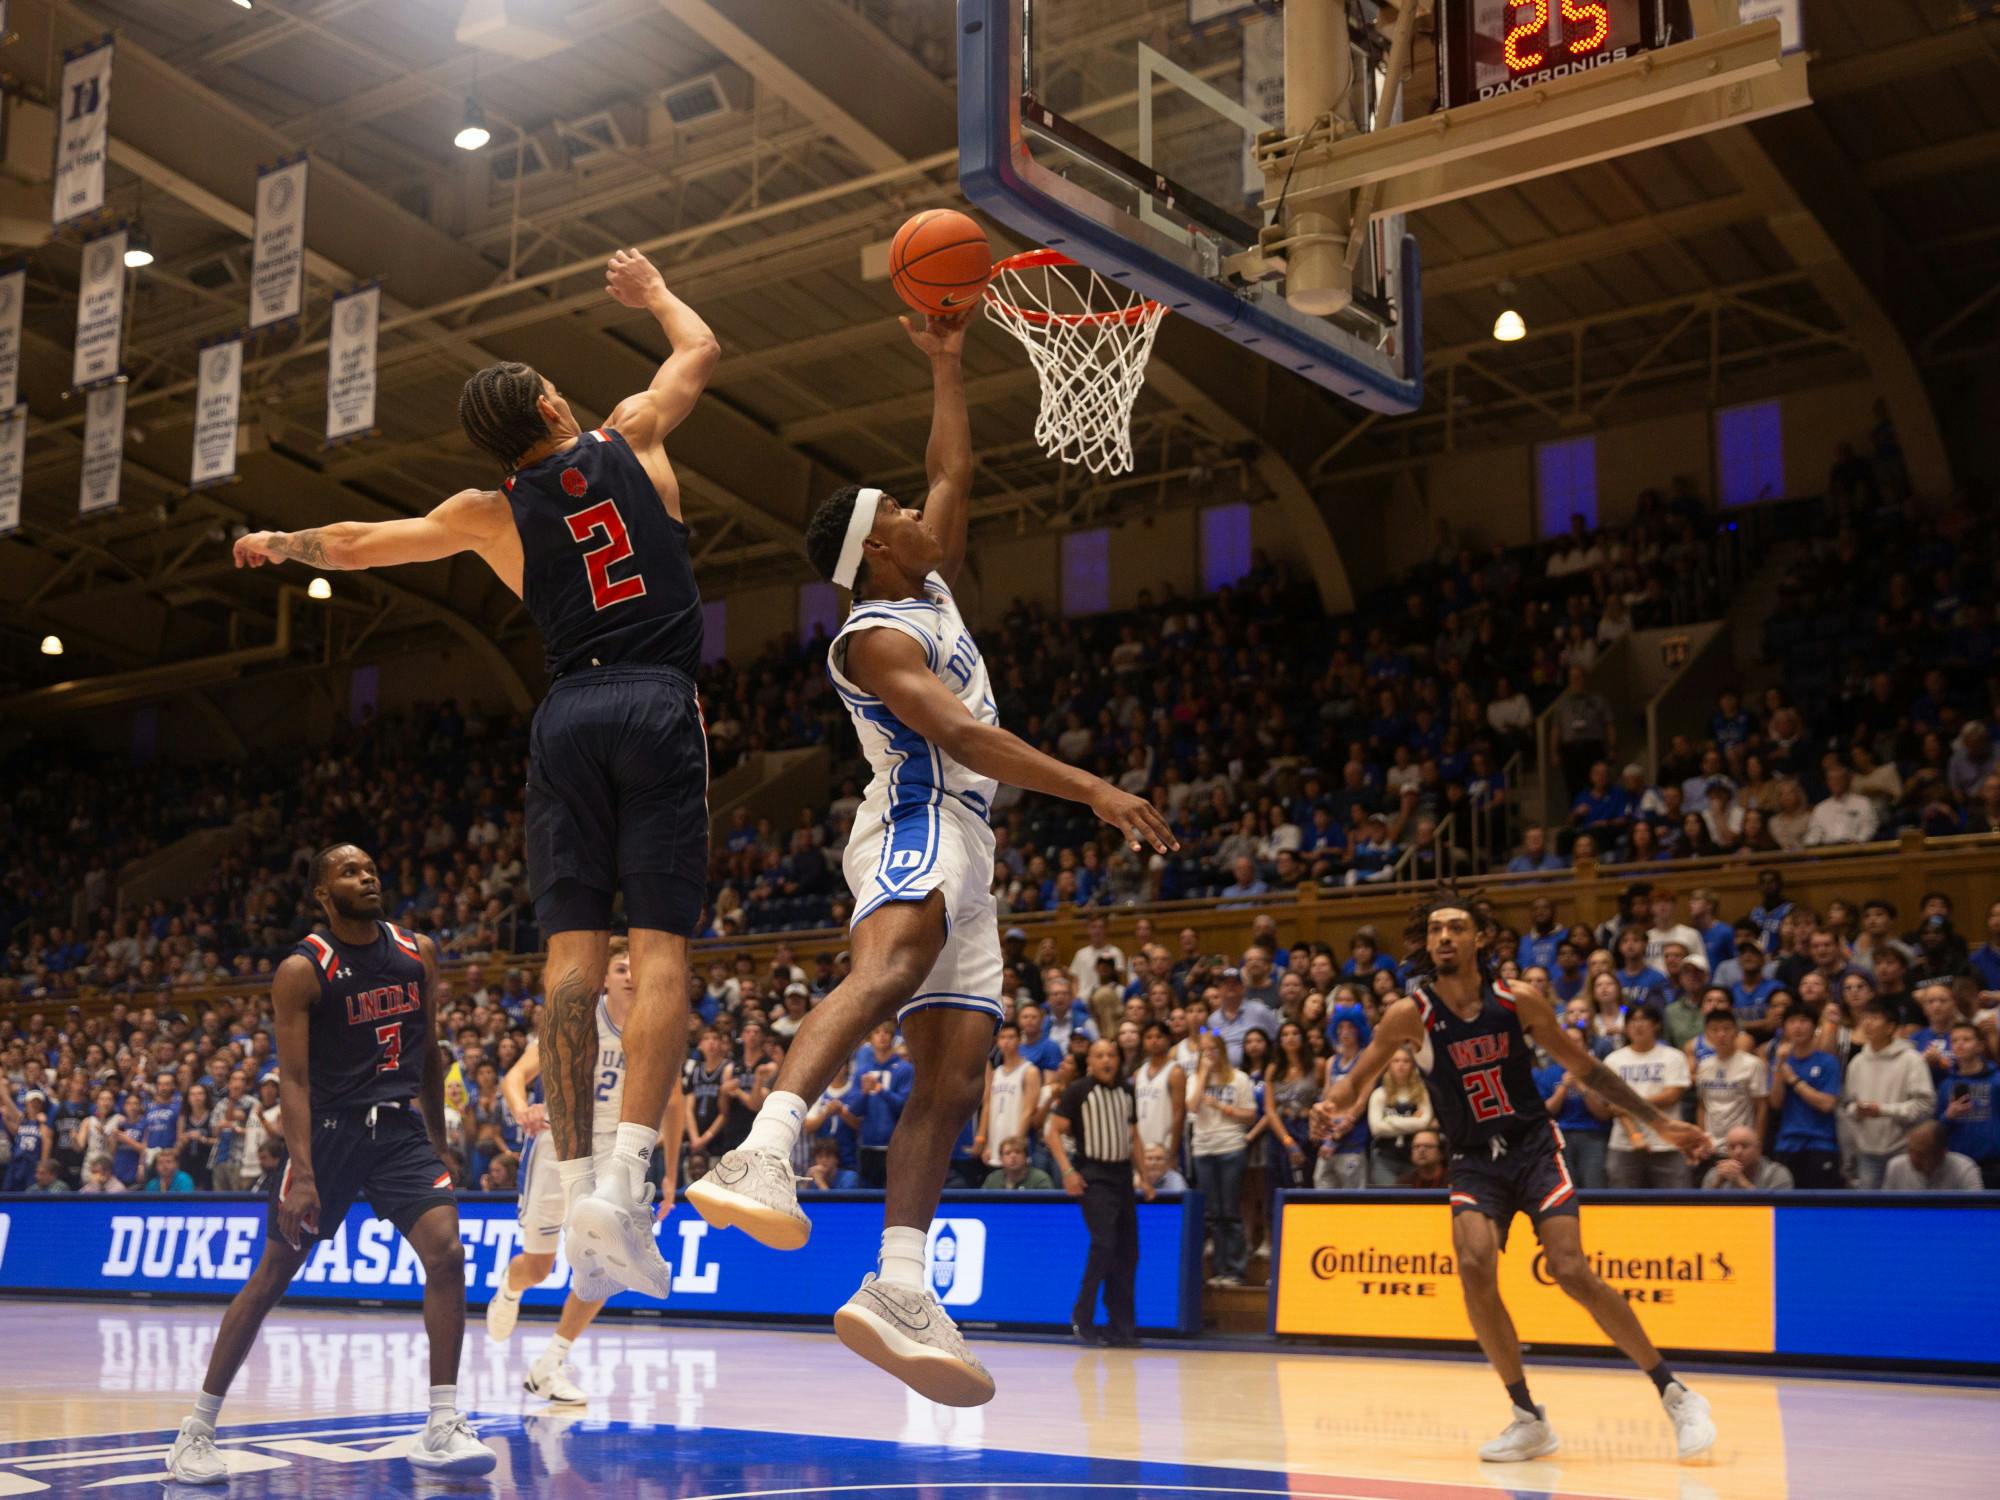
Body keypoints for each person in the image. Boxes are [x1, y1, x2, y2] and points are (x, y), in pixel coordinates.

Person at [683, 310, 1174, 1408]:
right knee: (892, 967)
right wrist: (1090, 787)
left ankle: (898, 1281)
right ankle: (762, 1147)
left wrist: (947, 361)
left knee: (954, 1075)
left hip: (975, 840)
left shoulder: (926, 585)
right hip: (919, 812)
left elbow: (951, 465)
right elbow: (956, 735)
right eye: (900, 514)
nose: (919, 512)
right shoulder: (874, 636)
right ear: (874, 551)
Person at [233, 251, 722, 1301]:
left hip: (567, 714)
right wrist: (655, 295)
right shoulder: (631, 432)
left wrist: (281, 542)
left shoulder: (485, 511)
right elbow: (700, 348)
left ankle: (577, 1177)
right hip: (654, 695)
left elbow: (361, 545)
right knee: (661, 949)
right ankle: (624, 1184)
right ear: (550, 402)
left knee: (570, 962)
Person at [1317, 888, 1715, 1465]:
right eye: (1435, 930)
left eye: (1456, 927)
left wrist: (1659, 1123)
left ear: (1480, 938)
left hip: (1533, 1148)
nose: (1445, 937)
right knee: (1474, 1262)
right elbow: (1354, 1080)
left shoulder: (1518, 1000)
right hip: (1474, 1158)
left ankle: (1675, 1393)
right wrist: (1333, 1103)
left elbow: (1586, 1068)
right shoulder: (1412, 1013)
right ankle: (1527, 1416)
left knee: (1570, 1268)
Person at [166, 845, 492, 1482]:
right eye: (349, 871)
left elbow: (428, 1053)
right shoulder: (302, 969)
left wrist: (439, 1137)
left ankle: (442, 1424)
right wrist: (304, 1171)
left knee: (447, 1254)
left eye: (370, 867)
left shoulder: (416, 951)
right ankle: (195, 1431)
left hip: (399, 1130)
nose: (367, 875)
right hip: (330, 1134)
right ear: (321, 895)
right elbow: (291, 1078)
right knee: (272, 1278)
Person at [484, 939, 683, 1404]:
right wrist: (521, 1109)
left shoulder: (659, 1022)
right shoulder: (579, 1018)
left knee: (605, 1263)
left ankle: (551, 1364)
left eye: (637, 966)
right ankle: (511, 1288)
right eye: (620, 967)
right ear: (605, 977)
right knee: (539, 1266)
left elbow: (673, 1104)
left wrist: (672, 1173)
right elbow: (515, 1078)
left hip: (617, 1155)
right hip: (559, 1144)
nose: (631, 975)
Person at [1047, 1038, 1147, 1347]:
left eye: (1111, 1055)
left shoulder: (1127, 1092)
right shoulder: (1078, 1090)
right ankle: (1083, 1316)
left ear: (1118, 1059)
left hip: (1121, 1177)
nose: (1107, 1060)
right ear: (1090, 1061)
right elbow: (1053, 1132)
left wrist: (1145, 1176)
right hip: (1094, 1176)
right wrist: (1068, 1171)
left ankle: (1122, 1327)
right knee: (1104, 1244)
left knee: (1128, 1252)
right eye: (1100, 1055)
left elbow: (1133, 1137)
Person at [1840, 999, 1936, 1189]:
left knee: (1907, 1211)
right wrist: (1857, 1110)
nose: (1867, 1023)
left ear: (1891, 1026)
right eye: (1865, 1018)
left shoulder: (1912, 1060)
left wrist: (1882, 1110)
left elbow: (1926, 1106)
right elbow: (1847, 1105)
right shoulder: (1857, 1062)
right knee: (1868, 1214)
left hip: (1904, 1151)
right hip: (1866, 1152)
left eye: (1875, 1018)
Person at [1187, 1031, 1258, 1286]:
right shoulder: (1194, 1079)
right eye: (1204, 1051)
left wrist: (1221, 1107)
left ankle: (1236, 1271)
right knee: (1213, 1213)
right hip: (1203, 1150)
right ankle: (1219, 1270)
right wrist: (1203, 1076)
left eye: (1213, 1050)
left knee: (1230, 1211)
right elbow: (1192, 1106)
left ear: (1222, 1051)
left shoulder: (1239, 1079)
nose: (1209, 1055)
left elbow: (1250, 1115)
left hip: (1230, 1147)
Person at [1601, 1006, 1693, 1189]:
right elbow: (1612, 1105)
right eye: (1632, 1021)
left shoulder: (1673, 1057)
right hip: (1624, 1144)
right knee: (1623, 1209)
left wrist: (1629, 1103)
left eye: (1643, 1020)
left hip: (1668, 1145)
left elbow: (1671, 1096)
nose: (1638, 1025)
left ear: (1656, 1025)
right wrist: (1634, 1134)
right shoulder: (1613, 1060)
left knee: (1676, 1208)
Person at [1769, 1004, 1843, 1188]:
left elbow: (1827, 1104)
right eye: (1792, 1022)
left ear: (1814, 1026)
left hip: (1820, 1145)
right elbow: (1775, 1103)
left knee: (1818, 1209)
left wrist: (1794, 1080)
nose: (1798, 1027)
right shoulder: (1781, 1061)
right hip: (1786, 1145)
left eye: (1804, 1021)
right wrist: (1779, 1067)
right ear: (1784, 1028)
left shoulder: (1827, 1062)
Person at [1938, 1021, 2000, 1187]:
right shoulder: (1946, 1085)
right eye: (1955, 1040)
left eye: (1966, 1039)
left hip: (1993, 1163)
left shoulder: (1996, 1080)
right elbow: (1937, 1127)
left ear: (1980, 1046)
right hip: (1958, 1164)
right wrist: (1948, 1116)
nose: (1960, 1044)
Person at [1693, 1006, 1766, 1146]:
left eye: (1727, 1029)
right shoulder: (1703, 1066)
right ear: (1707, 1034)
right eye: (1714, 1030)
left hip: (1741, 1144)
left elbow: (1761, 1107)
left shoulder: (1752, 1064)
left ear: (1736, 1032)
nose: (1721, 1034)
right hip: (1711, 1144)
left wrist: (1757, 1142)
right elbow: (1702, 1106)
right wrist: (1702, 1140)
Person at [978, 1021, 1040, 1175]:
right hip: (995, 1141)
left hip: (1016, 1143)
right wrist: (985, 1143)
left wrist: (1016, 1145)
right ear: (998, 1041)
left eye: (1011, 1037)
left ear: (1020, 1040)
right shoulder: (995, 1073)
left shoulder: (1029, 1071)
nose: (1006, 1041)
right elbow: (988, 1106)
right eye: (1003, 1037)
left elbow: (1028, 1110)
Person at [1130, 1020, 1187, 1153]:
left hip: (1165, 1145)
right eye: (1149, 1037)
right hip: (1143, 1145)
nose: (1154, 1041)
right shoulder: (1138, 1074)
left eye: (1159, 1036)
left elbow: (1179, 1114)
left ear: (1168, 1039)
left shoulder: (1175, 1072)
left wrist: (1173, 1151)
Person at [1882, 1119, 1982, 1191]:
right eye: (1910, 1150)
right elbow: (1885, 1209)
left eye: (1921, 1154)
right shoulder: (1895, 1167)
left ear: (1941, 1153)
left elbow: (1977, 1210)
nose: (1913, 1158)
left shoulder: (1964, 1169)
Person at [1701, 1125, 1793, 1190]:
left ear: (1759, 1149)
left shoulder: (1776, 1174)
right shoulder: (1714, 1175)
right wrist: (1717, 1184)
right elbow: (1700, 1212)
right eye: (1732, 1147)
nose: (1738, 1152)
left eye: (1744, 1146)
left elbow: (1779, 1212)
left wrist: (1742, 1183)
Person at [982, 1134, 1053, 1191]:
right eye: (1008, 1153)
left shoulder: (1040, 1179)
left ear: (1026, 1157)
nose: (1013, 1156)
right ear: (1001, 1159)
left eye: (1018, 1152)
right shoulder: (992, 1179)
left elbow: (1048, 1207)